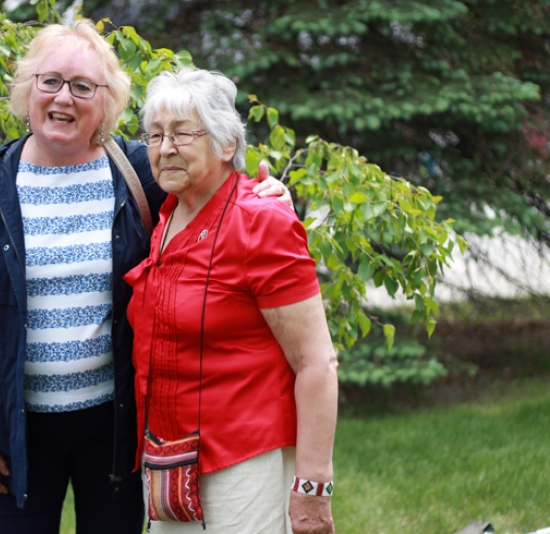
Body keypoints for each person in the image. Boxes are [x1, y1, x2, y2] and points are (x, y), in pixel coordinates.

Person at [0, 19, 289, 534]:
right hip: (17, 433)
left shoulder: (137, 171)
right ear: (27, 89)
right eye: (50, 81)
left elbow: (215, 186)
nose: (64, 98)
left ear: (106, 103)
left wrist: (266, 191)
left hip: (115, 430)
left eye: (83, 87)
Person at [125, 68, 339, 534]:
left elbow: (317, 363)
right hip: (171, 463)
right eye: (156, 135)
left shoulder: (260, 220)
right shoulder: (166, 218)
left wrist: (313, 489)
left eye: (182, 133)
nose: (164, 148)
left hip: (246, 464)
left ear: (227, 145)